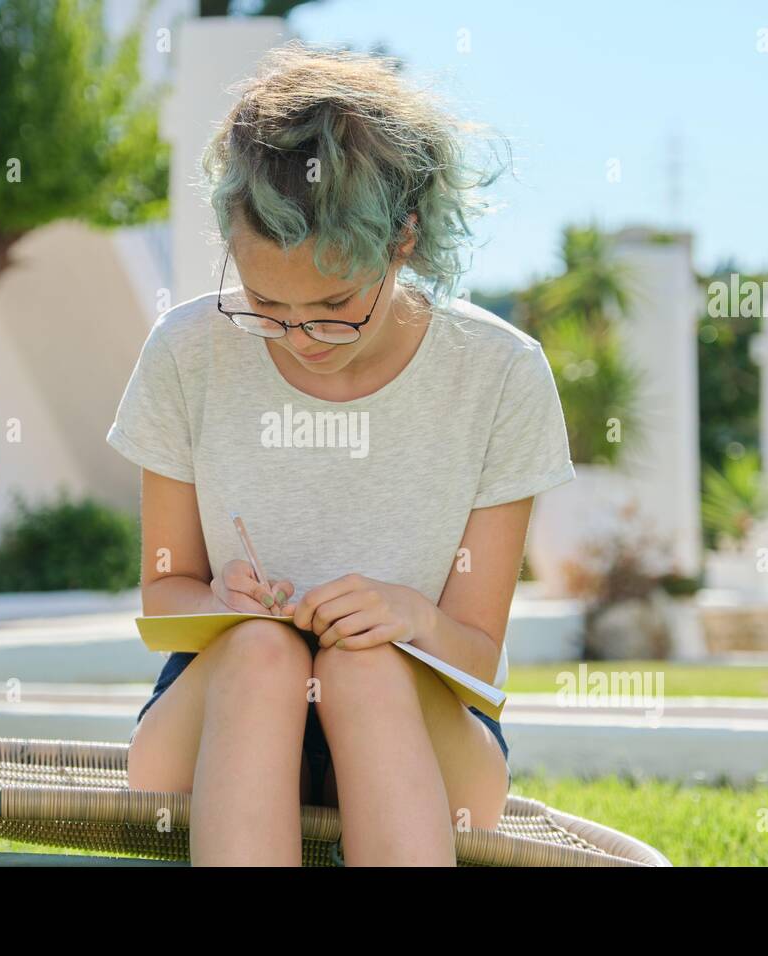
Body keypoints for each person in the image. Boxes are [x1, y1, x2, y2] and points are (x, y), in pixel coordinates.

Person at [106, 40, 575, 866]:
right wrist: (219, 600)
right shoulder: (188, 352)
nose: (299, 338)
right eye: (265, 303)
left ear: (404, 238)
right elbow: (161, 597)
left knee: (365, 666)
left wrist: (413, 617)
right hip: (214, 728)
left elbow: (477, 654)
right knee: (259, 651)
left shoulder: (499, 374)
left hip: (432, 745)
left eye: (334, 306)